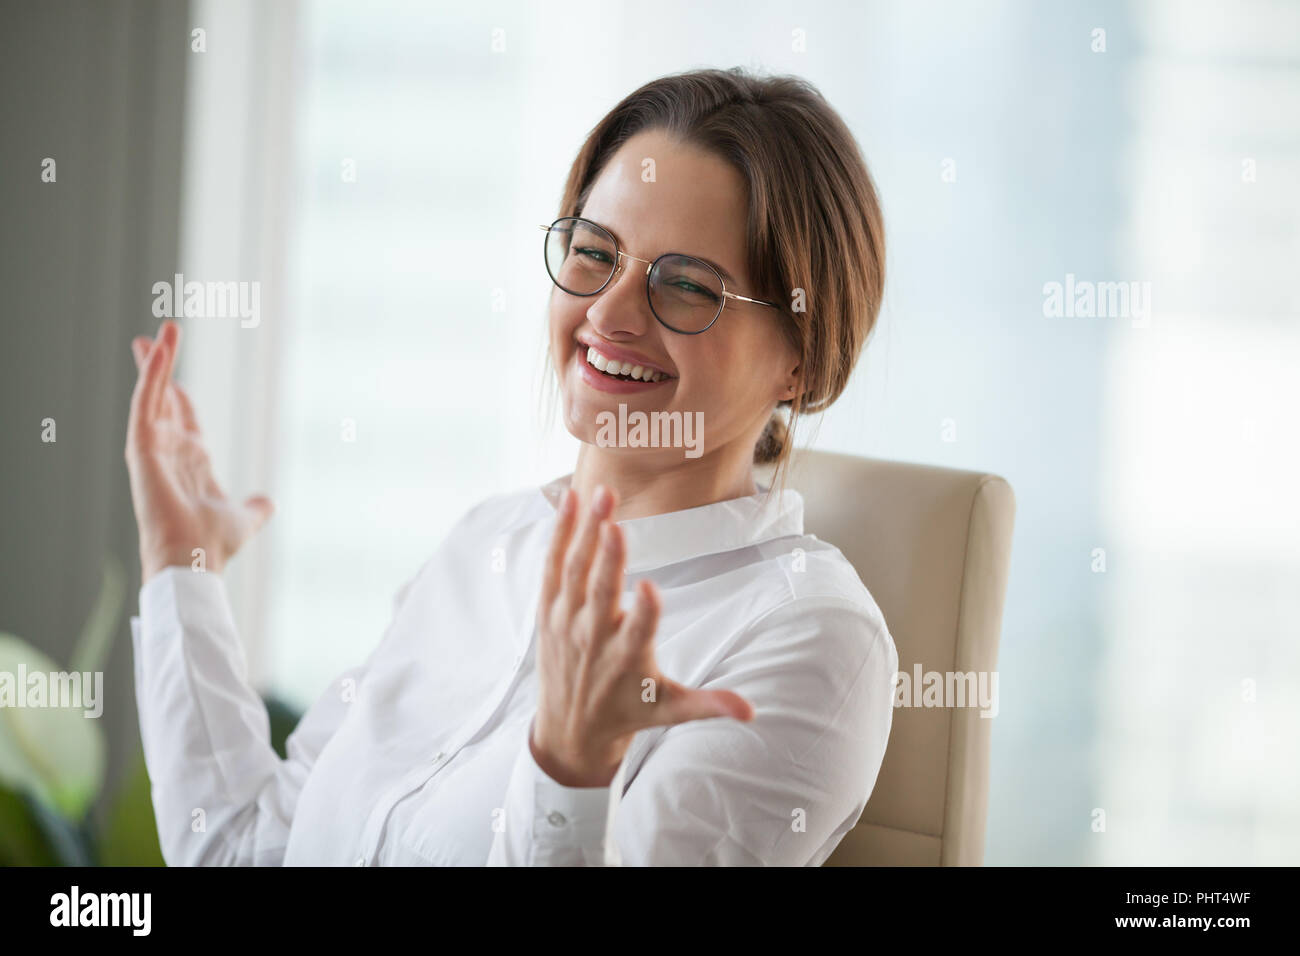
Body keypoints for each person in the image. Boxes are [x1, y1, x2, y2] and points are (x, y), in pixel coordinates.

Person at [125, 66, 895, 866]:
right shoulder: (486, 542)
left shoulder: (809, 637)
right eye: (596, 251)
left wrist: (569, 774)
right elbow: (245, 851)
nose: (607, 312)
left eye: (689, 286)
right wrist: (182, 564)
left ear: (802, 363)